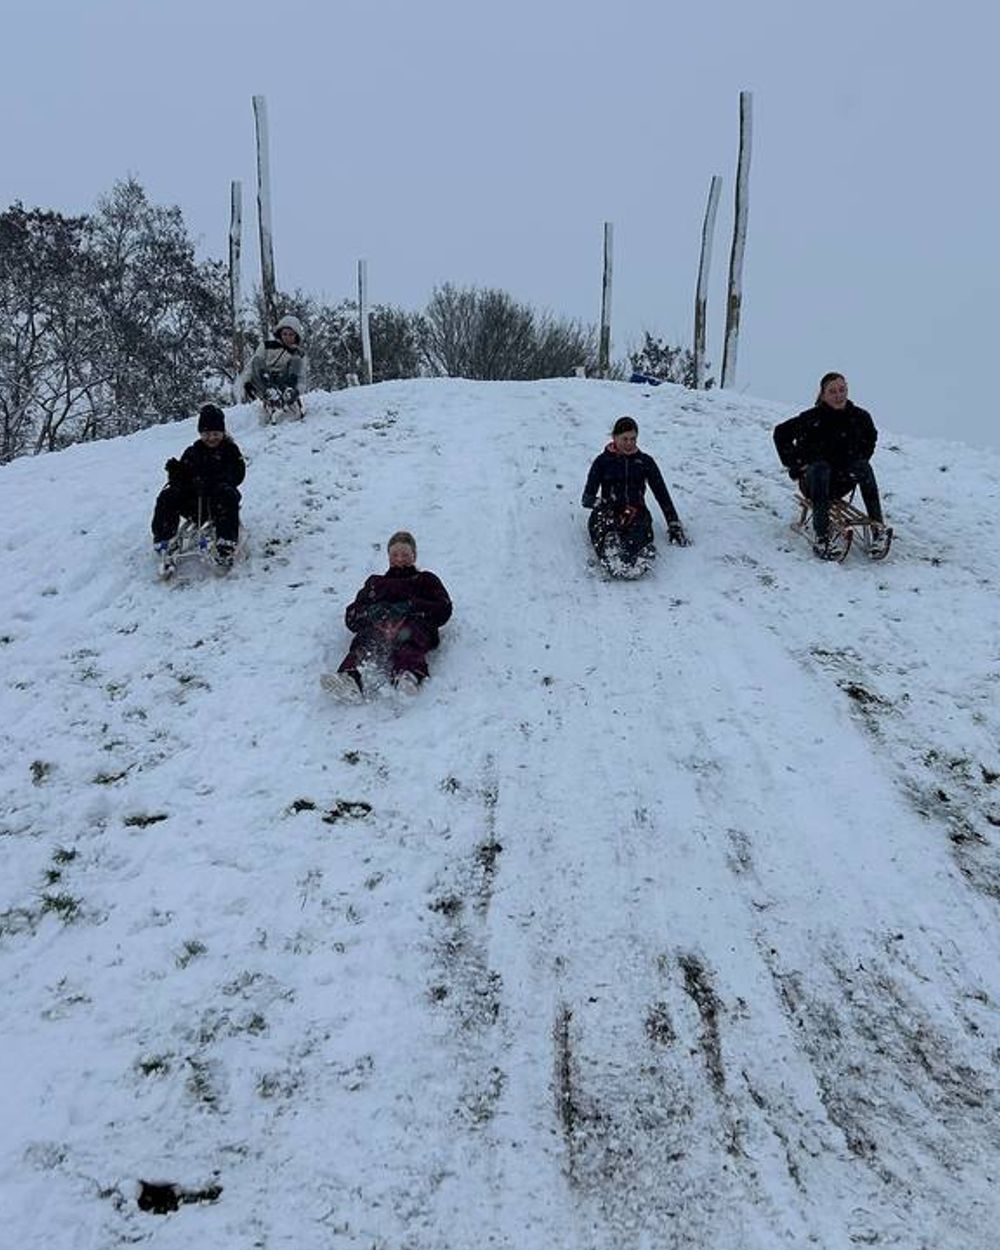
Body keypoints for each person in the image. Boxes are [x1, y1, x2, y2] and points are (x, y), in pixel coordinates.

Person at [323, 532, 453, 701]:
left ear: (414, 556)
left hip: (412, 626)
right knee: (365, 640)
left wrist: (412, 606)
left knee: (409, 636)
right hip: (380, 628)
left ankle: (407, 676)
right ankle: (349, 678)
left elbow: (443, 608)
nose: (399, 559)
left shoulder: (425, 580)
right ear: (388, 556)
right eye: (395, 555)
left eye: (405, 554)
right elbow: (352, 617)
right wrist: (369, 612)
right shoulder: (376, 583)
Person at [773, 372, 888, 560]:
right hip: (812, 483)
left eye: (842, 390)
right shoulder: (812, 418)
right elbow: (780, 433)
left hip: (842, 482)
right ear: (823, 394)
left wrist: (860, 458)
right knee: (821, 468)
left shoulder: (859, 417)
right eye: (832, 391)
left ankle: (878, 529)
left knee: (864, 467)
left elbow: (871, 438)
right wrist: (797, 465)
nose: (838, 395)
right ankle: (822, 537)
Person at [581, 415, 688, 570]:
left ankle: (637, 555)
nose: (629, 443)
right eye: (624, 439)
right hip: (609, 510)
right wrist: (602, 504)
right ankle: (609, 554)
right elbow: (586, 498)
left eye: (633, 439)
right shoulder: (602, 462)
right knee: (602, 524)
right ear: (614, 437)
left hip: (636, 511)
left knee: (641, 528)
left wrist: (673, 523)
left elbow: (661, 494)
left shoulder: (645, 462)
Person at [151, 404, 246, 570]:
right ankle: (164, 538)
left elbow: (237, 473)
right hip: (195, 503)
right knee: (168, 495)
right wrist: (176, 473)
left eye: (216, 434)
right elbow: (182, 478)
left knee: (226, 494)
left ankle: (226, 543)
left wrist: (216, 480)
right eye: (207, 434)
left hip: (218, 503)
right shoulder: (193, 452)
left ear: (222, 433)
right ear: (200, 433)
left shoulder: (230, 451)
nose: (211, 438)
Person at [237, 314, 308, 409]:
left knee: (296, 360)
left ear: (296, 336)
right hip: (264, 380)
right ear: (280, 333)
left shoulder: (299, 354)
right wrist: (246, 383)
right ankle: (271, 392)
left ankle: (288, 392)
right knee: (257, 360)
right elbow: (251, 367)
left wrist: (298, 391)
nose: (287, 337)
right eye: (285, 334)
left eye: (291, 335)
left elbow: (301, 377)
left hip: (284, 381)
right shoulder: (267, 345)